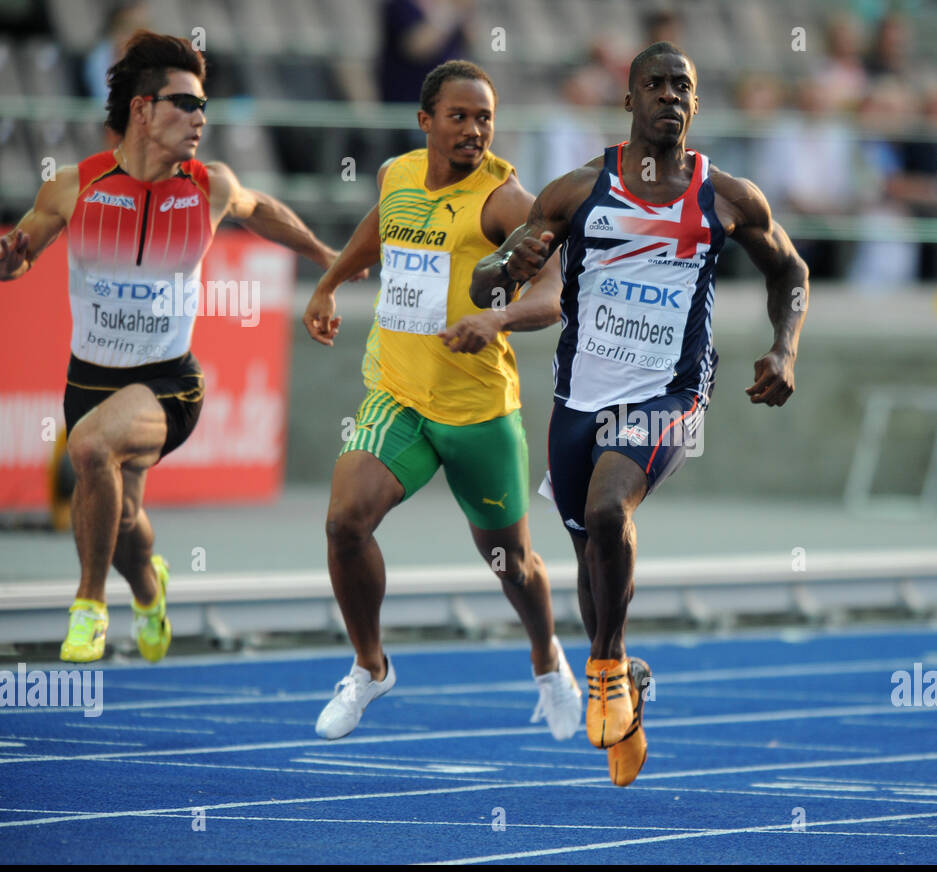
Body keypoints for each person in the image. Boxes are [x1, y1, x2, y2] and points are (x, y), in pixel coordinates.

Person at [468, 42, 809, 786]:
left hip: (670, 393)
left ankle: (605, 667)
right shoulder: (577, 192)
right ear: (629, 100)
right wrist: (504, 271)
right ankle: (625, 680)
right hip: (578, 398)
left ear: (696, 103)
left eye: (682, 85)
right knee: (592, 558)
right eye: (654, 84)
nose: (669, 95)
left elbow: (789, 268)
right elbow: (488, 285)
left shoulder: (726, 198)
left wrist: (784, 348)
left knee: (607, 509)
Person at [0, 31, 343, 665]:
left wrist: (327, 255)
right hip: (90, 381)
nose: (200, 118)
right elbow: (18, 260)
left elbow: (261, 209)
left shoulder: (209, 186)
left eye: (204, 106)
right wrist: (9, 260)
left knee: (89, 448)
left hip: (169, 384)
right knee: (123, 522)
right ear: (142, 109)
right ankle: (149, 590)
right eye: (185, 104)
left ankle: (88, 608)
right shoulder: (74, 186)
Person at [301, 61, 582, 743]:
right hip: (397, 393)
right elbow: (382, 226)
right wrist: (330, 281)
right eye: (459, 116)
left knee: (511, 562)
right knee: (345, 521)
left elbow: (556, 293)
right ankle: (370, 667)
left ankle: (548, 660)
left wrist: (497, 318)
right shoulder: (396, 175)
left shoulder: (505, 203)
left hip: (477, 410)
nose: (474, 130)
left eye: (485, 118)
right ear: (425, 120)